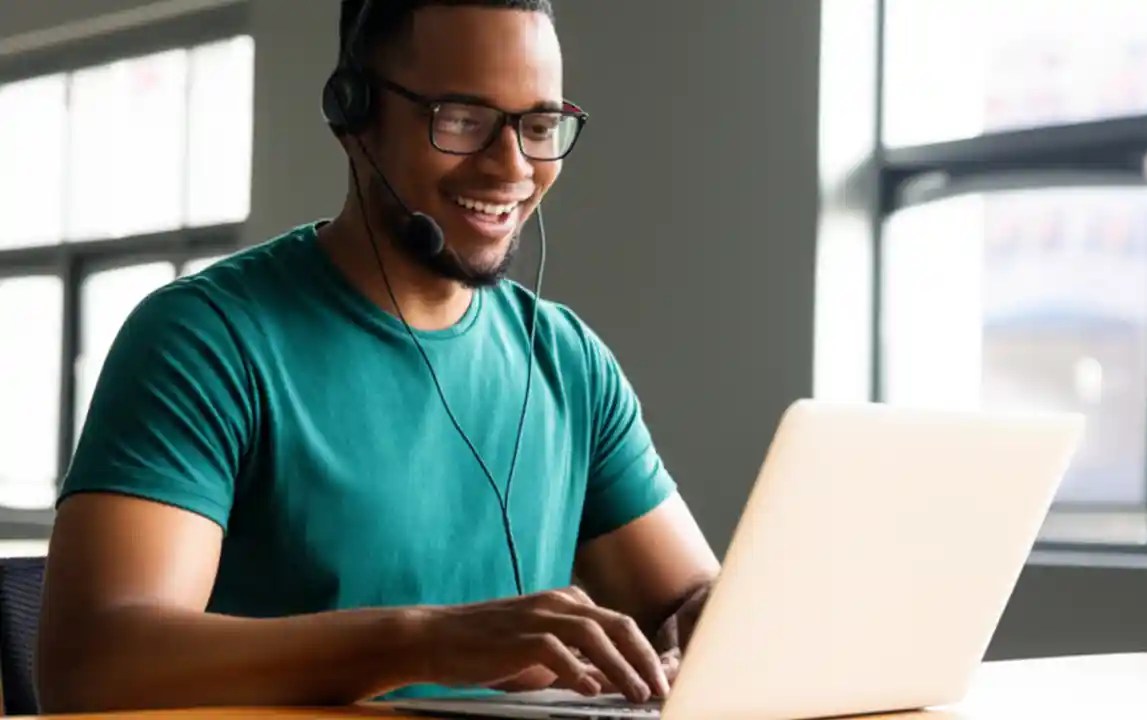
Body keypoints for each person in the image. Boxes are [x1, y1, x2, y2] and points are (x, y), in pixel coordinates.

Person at [35, 0, 720, 712]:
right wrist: (423, 642)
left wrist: (712, 626)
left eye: (540, 127)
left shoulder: (569, 362)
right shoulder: (204, 339)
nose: (512, 166)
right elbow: (90, 666)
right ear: (354, 113)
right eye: (463, 119)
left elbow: (692, 598)